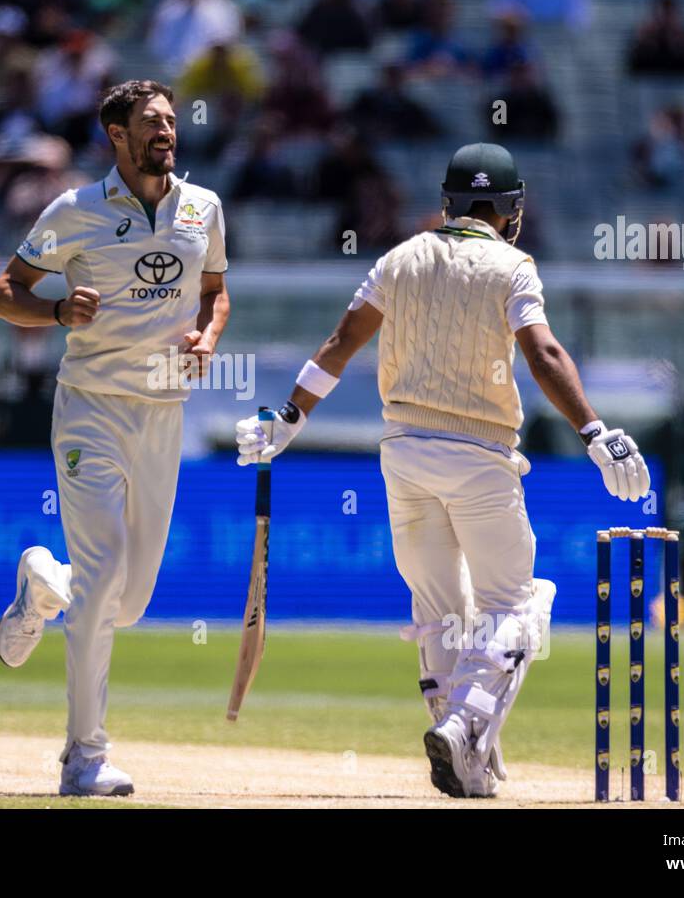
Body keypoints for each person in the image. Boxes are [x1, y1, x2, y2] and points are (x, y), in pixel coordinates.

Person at [234, 143, 650, 798]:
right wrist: (595, 432)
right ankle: (464, 727)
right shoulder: (512, 265)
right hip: (479, 455)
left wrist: (288, 416)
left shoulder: (400, 257)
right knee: (516, 602)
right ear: (512, 209)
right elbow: (541, 352)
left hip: (402, 454)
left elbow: (344, 339)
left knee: (439, 613)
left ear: (447, 201)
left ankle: (469, 753)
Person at [0, 80, 231, 796]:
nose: (166, 131)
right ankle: (84, 756)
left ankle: (43, 584)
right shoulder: (75, 211)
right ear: (116, 136)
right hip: (91, 409)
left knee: (127, 603)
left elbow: (216, 291)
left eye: (171, 121)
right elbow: (6, 291)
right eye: (150, 122)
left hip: (164, 414)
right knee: (101, 589)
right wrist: (60, 310)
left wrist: (208, 334)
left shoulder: (203, 207)